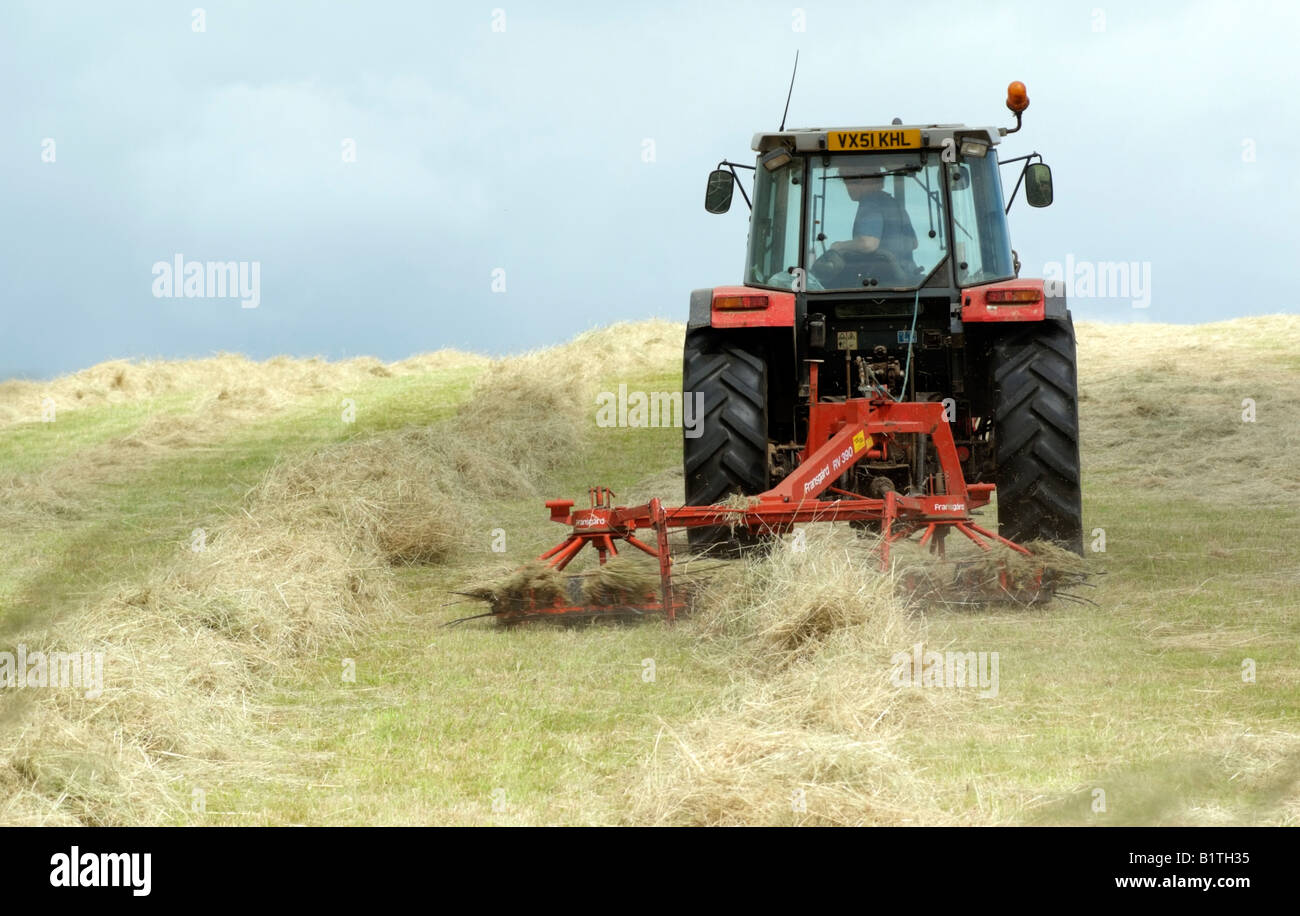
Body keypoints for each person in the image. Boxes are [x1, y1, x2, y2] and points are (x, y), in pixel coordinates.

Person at [830, 166, 919, 275]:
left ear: (869, 180)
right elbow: (914, 243)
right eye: (846, 182)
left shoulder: (870, 202)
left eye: (852, 181)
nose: (848, 187)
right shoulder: (894, 204)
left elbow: (868, 244)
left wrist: (839, 246)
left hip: (882, 280)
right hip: (909, 277)